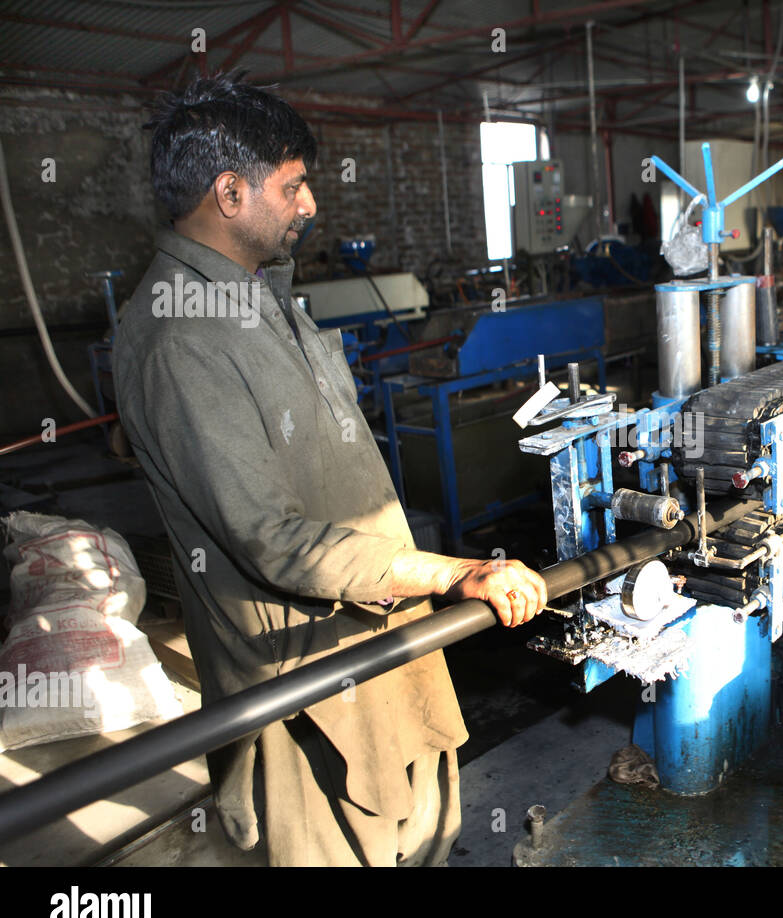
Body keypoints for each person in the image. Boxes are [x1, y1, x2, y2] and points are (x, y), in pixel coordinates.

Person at [113, 74, 547, 866]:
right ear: (231, 191)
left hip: (377, 632)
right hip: (307, 678)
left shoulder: (255, 294)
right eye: (294, 184)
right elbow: (273, 541)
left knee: (424, 831)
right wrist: (455, 571)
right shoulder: (180, 338)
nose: (311, 203)